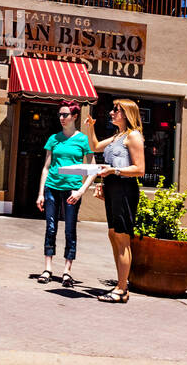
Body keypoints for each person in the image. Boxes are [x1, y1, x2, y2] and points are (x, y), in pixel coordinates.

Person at [84, 98, 146, 303]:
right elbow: (94, 146)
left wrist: (115, 170)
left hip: (125, 189)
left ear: (127, 114)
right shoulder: (116, 137)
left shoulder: (133, 136)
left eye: (116, 110)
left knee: (122, 238)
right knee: (114, 235)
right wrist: (91, 127)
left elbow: (140, 169)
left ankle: (122, 289)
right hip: (113, 188)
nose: (111, 113)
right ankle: (121, 283)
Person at [35, 100, 92, 287]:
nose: (61, 118)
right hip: (52, 187)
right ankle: (48, 268)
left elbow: (92, 168)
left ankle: (67, 271)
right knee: (50, 228)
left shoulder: (83, 140)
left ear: (74, 116)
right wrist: (41, 193)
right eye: (60, 114)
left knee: (70, 230)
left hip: (72, 190)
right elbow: (46, 167)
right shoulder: (53, 138)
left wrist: (81, 191)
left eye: (65, 114)